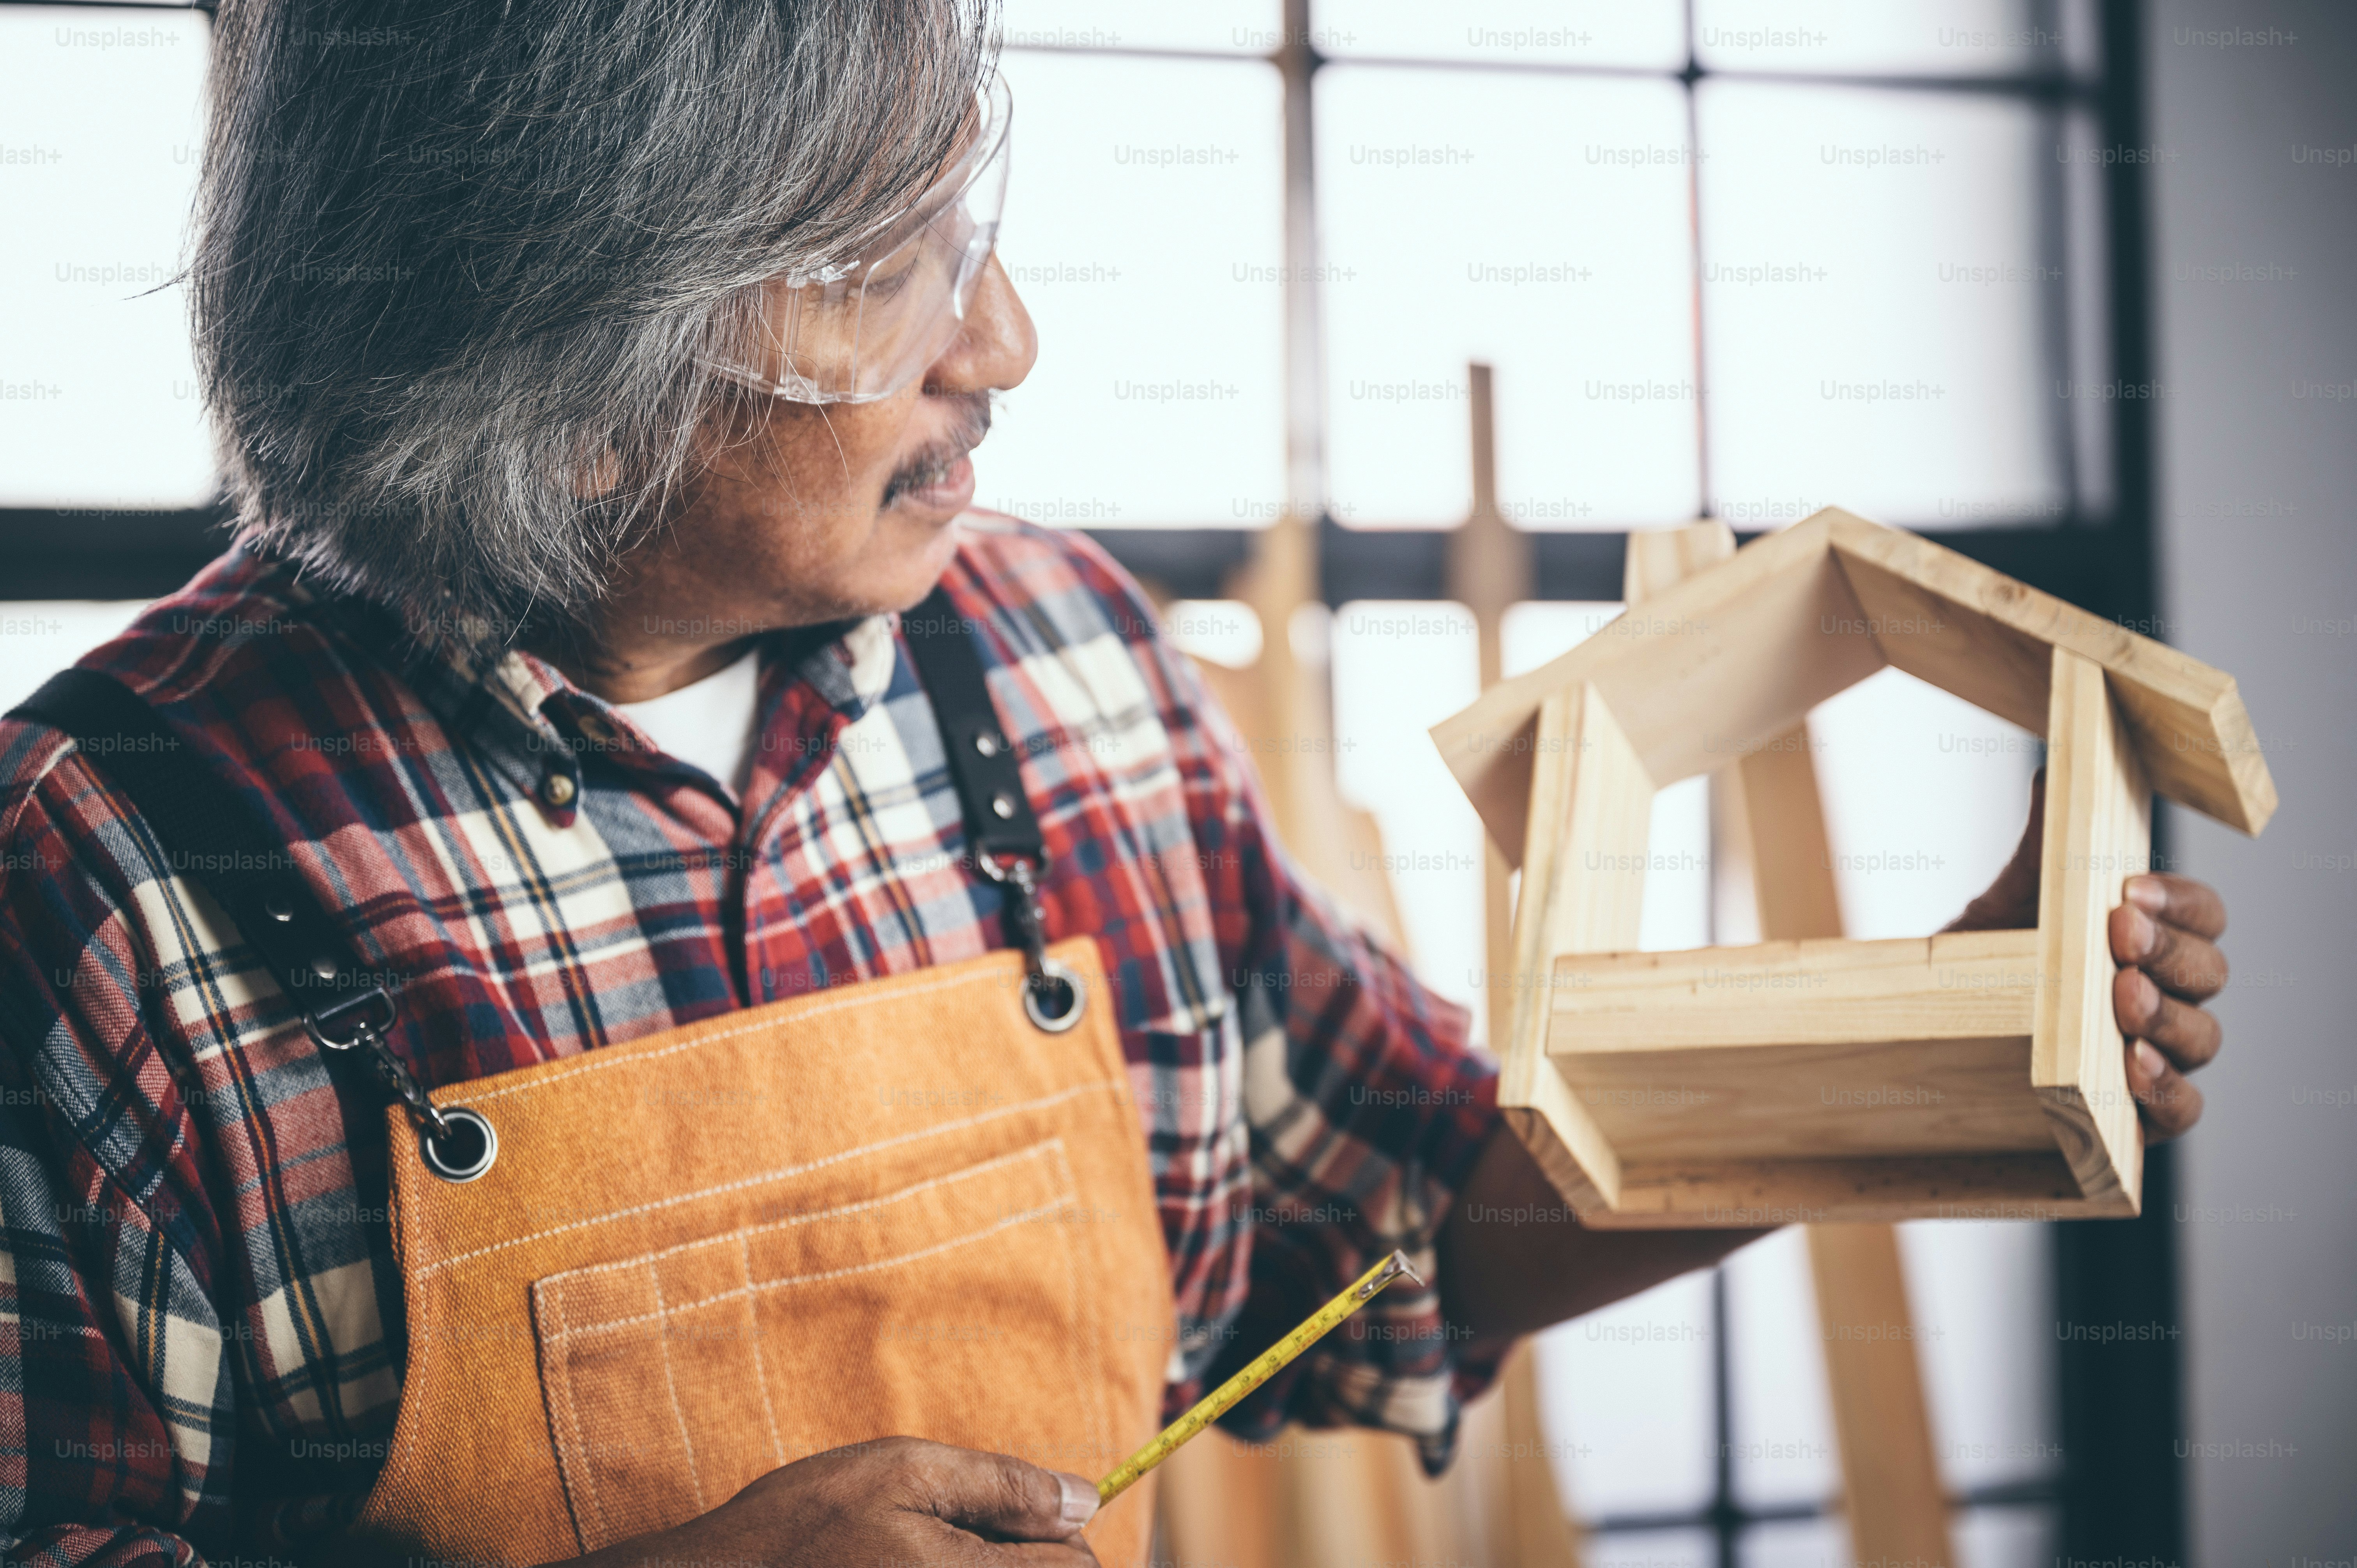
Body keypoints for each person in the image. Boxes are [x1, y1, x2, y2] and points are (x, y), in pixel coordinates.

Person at [0, 3, 2232, 1565]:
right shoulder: (97, 875)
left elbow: (1406, 1212)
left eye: (958, 225)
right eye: (882, 269)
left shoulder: (1053, 662)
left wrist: (1927, 1017)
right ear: (558, 357)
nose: (1003, 345)